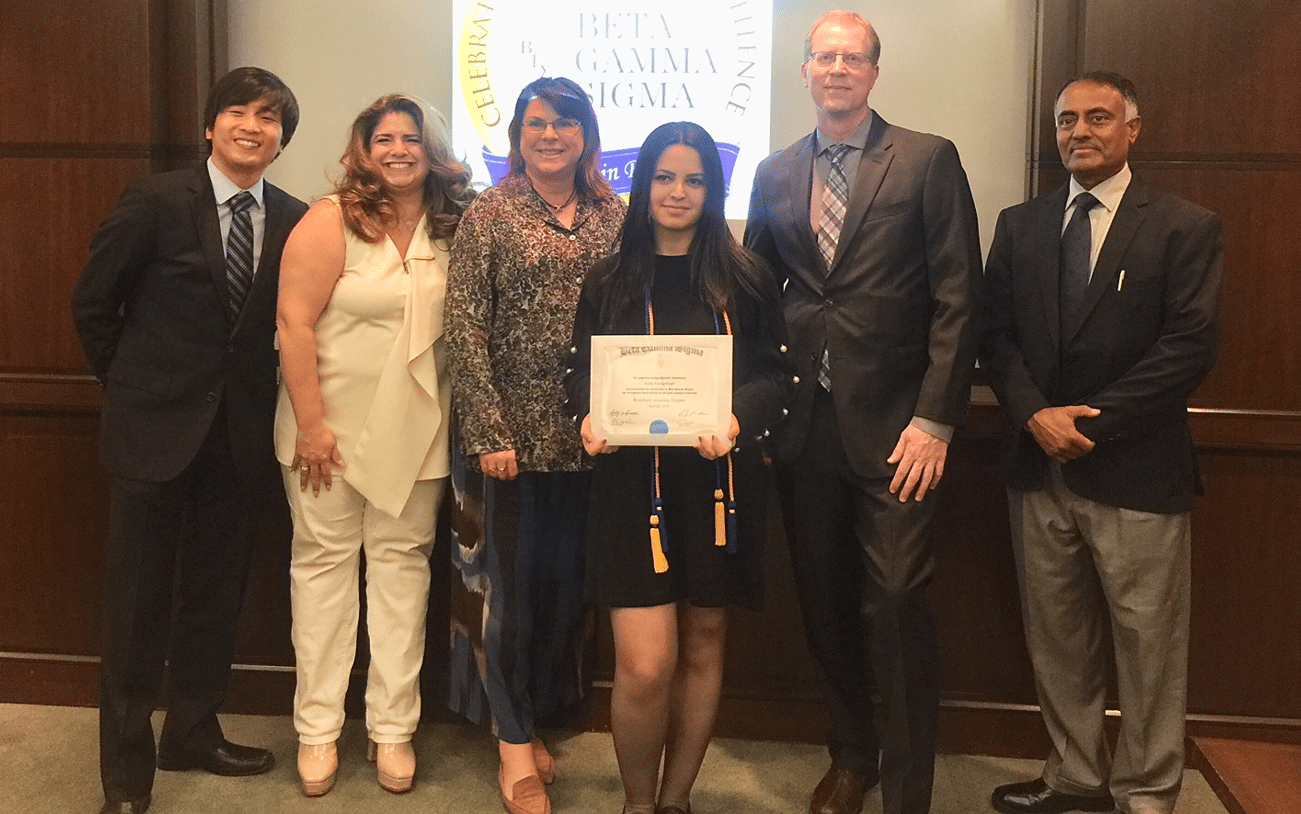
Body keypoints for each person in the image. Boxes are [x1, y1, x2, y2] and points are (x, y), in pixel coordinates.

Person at [743, 11, 982, 814]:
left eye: (852, 58)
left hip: (900, 436)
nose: (837, 69)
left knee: (895, 601)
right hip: (803, 431)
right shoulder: (775, 174)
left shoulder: (925, 160)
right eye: (824, 57)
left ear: (873, 72)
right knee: (823, 599)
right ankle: (851, 755)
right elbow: (756, 297)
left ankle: (906, 788)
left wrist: (936, 419)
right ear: (804, 71)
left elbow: (958, 299)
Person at [981, 71, 1222, 814]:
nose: (1077, 133)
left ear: (1131, 129)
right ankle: (1075, 777)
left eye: (1095, 119)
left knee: (1148, 649)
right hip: (1036, 466)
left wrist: (1086, 422)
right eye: (1065, 122)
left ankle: (1146, 793)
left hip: (1135, 470)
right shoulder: (1019, 225)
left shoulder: (1184, 226)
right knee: (1057, 640)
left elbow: (1188, 347)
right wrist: (1033, 416)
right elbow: (993, 338)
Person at [71, 67, 305, 814]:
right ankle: (126, 779)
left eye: (269, 118)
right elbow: (93, 304)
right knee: (136, 612)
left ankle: (193, 732)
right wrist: (133, 387)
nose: (252, 125)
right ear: (210, 126)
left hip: (237, 440)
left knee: (214, 597)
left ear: (280, 139)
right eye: (238, 110)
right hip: (151, 436)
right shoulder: (155, 198)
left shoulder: (297, 218)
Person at [565, 121, 792, 814]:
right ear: (644, 186)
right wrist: (587, 419)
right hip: (632, 491)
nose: (677, 191)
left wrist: (735, 419)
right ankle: (638, 803)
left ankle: (675, 800)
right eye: (664, 176)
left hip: (717, 484)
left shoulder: (746, 278)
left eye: (694, 179)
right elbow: (581, 372)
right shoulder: (607, 279)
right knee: (644, 664)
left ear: (712, 187)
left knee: (701, 646)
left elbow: (773, 378)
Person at [274, 94, 473, 797]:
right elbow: (294, 324)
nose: (397, 149)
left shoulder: (457, 225)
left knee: (401, 581)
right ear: (362, 149)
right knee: (323, 578)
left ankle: (392, 731)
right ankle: (318, 731)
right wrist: (313, 424)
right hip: (323, 435)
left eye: (410, 137)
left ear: (431, 147)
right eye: (381, 137)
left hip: (418, 433)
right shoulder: (330, 219)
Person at [446, 76, 625, 814]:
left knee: (563, 596)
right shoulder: (488, 214)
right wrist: (489, 431)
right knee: (507, 601)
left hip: (590, 443)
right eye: (535, 123)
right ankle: (512, 742)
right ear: (518, 134)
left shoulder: (615, 217)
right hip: (507, 448)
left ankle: (529, 713)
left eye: (565, 123)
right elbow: (463, 327)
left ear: (586, 133)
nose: (549, 135)